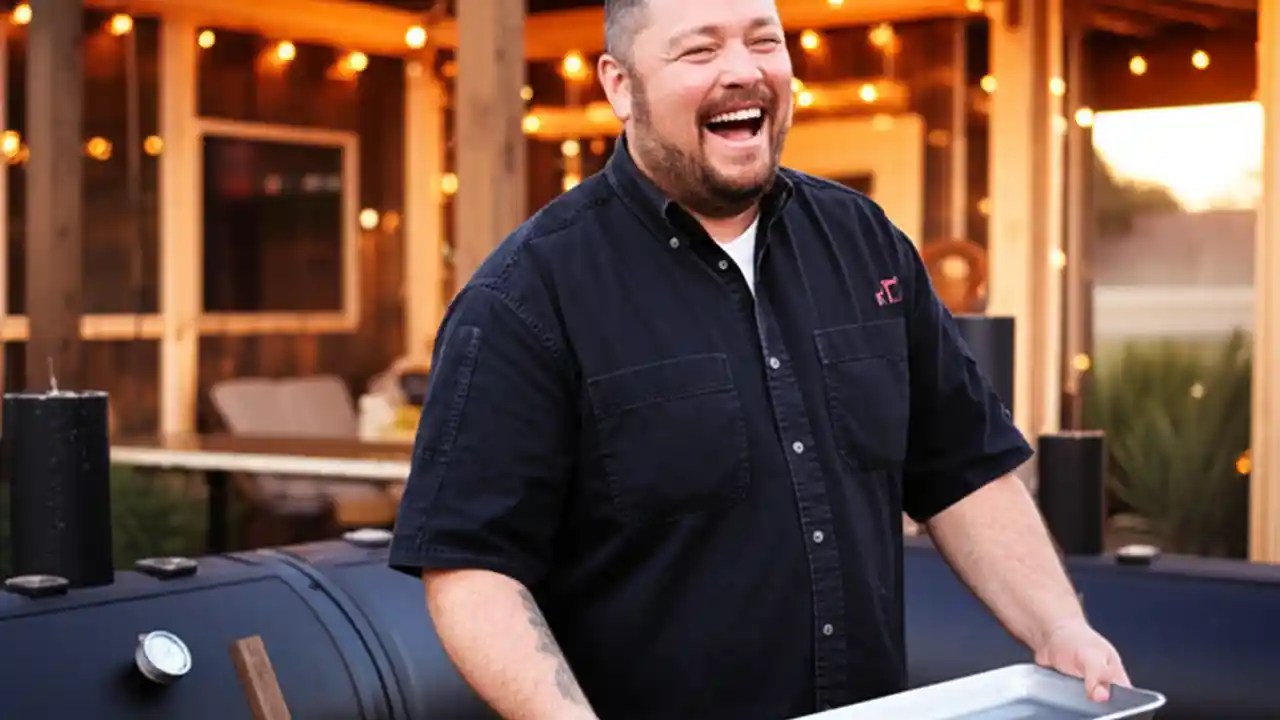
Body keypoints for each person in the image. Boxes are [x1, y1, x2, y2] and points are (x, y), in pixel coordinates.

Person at [388, 0, 1132, 717]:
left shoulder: (865, 243)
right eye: (700, 48)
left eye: (764, 41)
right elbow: (472, 570)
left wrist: (1056, 627)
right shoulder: (526, 296)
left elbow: (963, 468)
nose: (742, 70)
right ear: (620, 84)